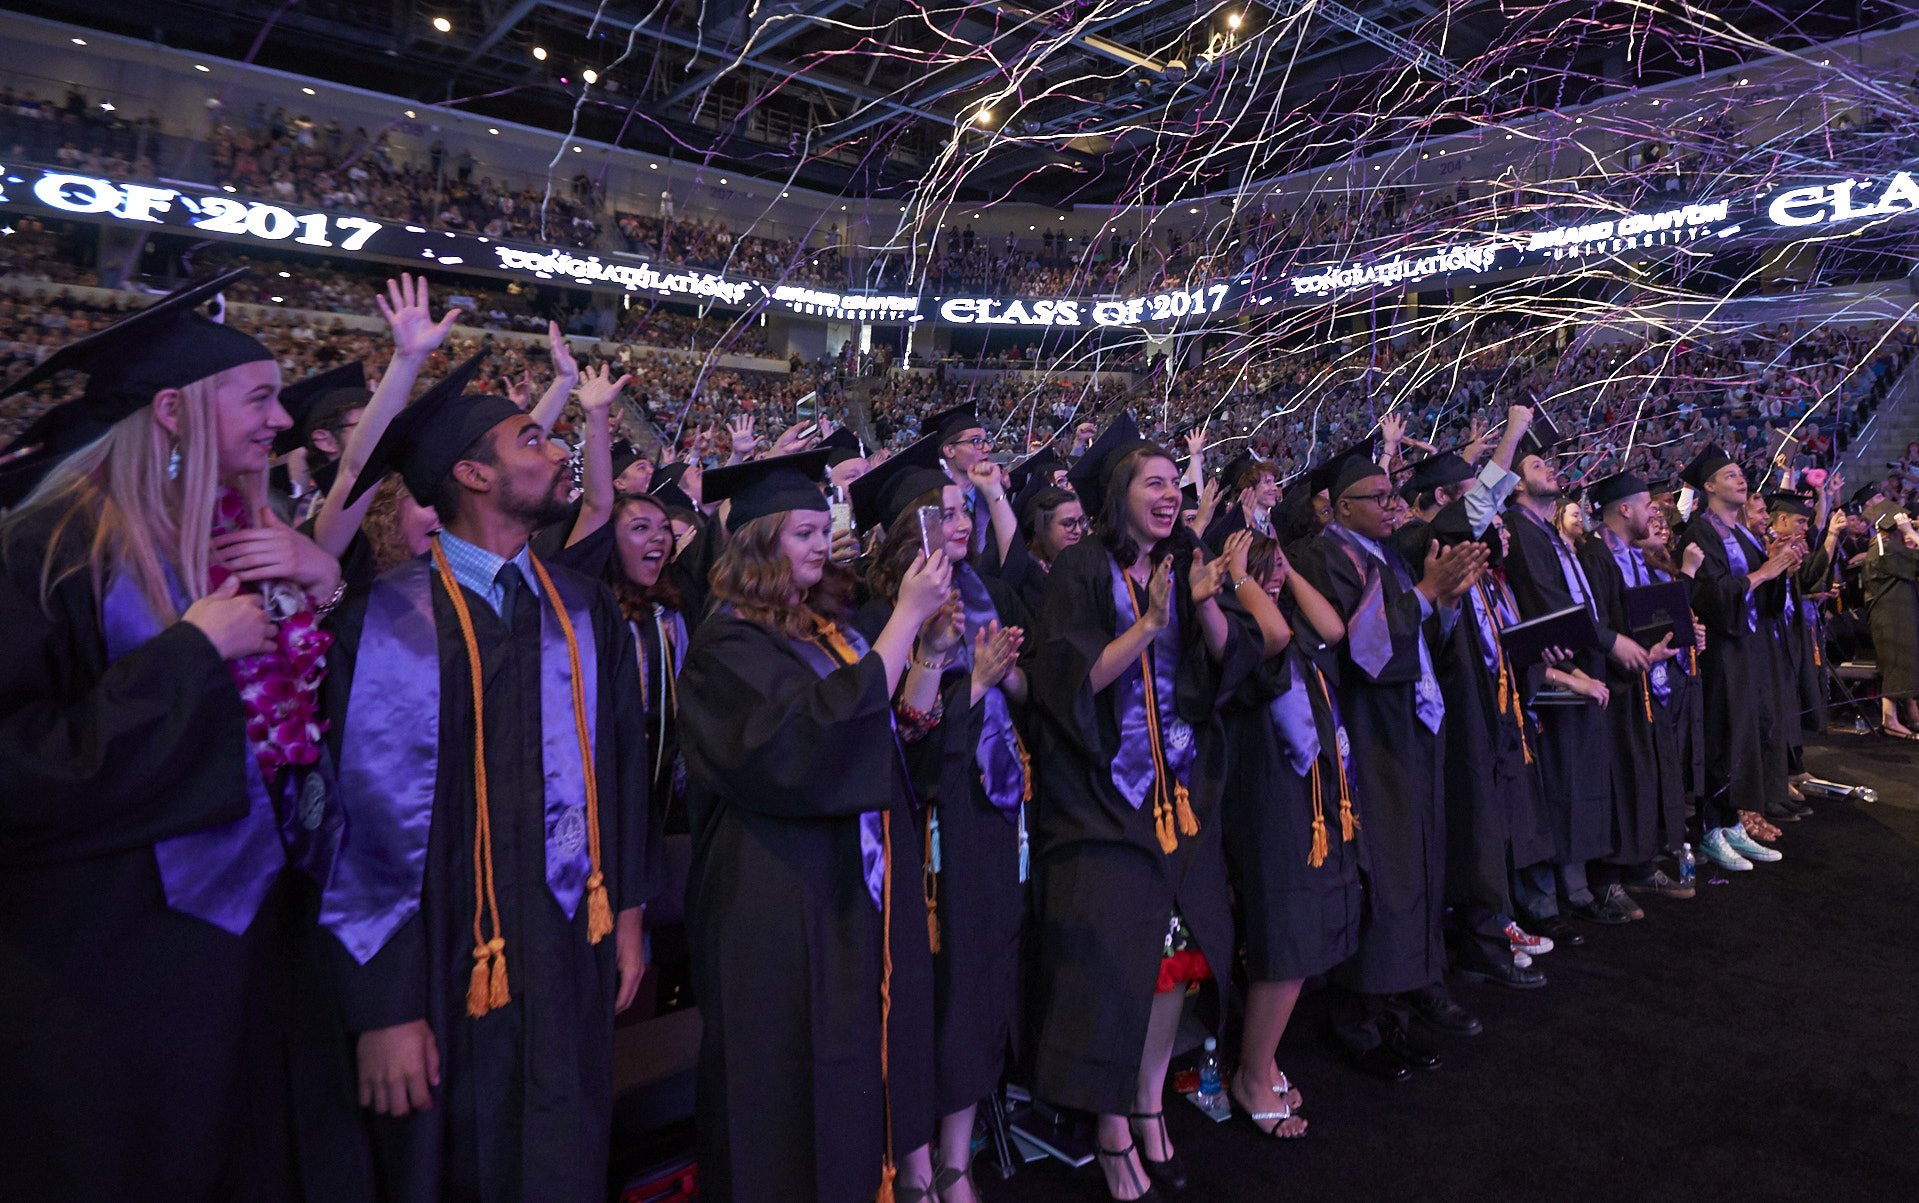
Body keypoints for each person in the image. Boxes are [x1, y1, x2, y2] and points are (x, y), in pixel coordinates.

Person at [0, 269, 355, 1200]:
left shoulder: (225, 540)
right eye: (262, 397)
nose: (281, 421)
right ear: (172, 410)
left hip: (245, 951)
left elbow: (299, 736)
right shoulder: (48, 550)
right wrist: (193, 652)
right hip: (104, 967)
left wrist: (325, 589)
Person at [319, 365, 655, 1202]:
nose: (556, 447)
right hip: (437, 959)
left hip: (567, 935)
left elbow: (620, 769)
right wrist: (383, 1004)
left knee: (562, 1144)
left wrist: (629, 916)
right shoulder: (385, 619)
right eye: (532, 438)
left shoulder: (582, 608)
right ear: (473, 475)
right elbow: (357, 829)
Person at [676, 449, 948, 1201]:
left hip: (837, 893)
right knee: (780, 1096)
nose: (821, 544)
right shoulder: (725, 645)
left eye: (821, 529)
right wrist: (904, 619)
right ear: (759, 540)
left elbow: (885, 734)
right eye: (801, 532)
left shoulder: (818, 631)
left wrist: (929, 652)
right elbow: (812, 739)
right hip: (770, 897)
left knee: (844, 1075)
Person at [1025, 415, 1245, 1201]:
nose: (1169, 493)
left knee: (1173, 964)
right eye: (1153, 481)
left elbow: (1228, 664)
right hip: (1099, 802)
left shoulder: (1182, 563)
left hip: (1177, 796)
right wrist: (1149, 621)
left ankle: (1149, 1100)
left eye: (1172, 482)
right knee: (1115, 967)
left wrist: (1204, 602)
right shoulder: (1078, 570)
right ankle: (1112, 1124)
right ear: (1117, 496)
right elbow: (1067, 683)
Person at [852, 437, 1031, 1202]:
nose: (960, 524)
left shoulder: (984, 591)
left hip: (988, 815)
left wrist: (1002, 675)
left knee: (980, 986)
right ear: (909, 530)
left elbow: (1021, 690)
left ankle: (958, 1156)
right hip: (922, 833)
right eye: (945, 513)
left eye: (963, 511)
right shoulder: (871, 616)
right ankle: (916, 1161)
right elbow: (899, 742)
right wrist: (974, 680)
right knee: (931, 996)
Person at [1291, 454, 1487, 1081]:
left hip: (1411, 729)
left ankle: (1409, 991)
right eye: (1377, 497)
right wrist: (1428, 595)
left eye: (1393, 494)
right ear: (1342, 506)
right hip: (1368, 737)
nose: (1392, 504)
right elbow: (1361, 650)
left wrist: (1447, 603)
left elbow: (1421, 637)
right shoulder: (1323, 559)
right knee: (1383, 872)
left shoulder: (1388, 557)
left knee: (1417, 861)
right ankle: (1362, 1019)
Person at [1216, 529, 1359, 1134]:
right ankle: (1250, 1076)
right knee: (1286, 933)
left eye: (1278, 564)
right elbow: (1273, 638)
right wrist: (1240, 577)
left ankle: (1264, 1056)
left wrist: (1279, 572)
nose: (1274, 575)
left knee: (1299, 934)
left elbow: (1334, 629)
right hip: (1264, 798)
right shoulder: (1236, 624)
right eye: (1262, 565)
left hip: (1306, 797)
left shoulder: (1279, 615)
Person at [1499, 426, 1631, 930]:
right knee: (1559, 787)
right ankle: (1556, 895)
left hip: (1577, 663)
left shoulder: (1545, 530)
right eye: (1535, 466)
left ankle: (1573, 889)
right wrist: (1602, 645)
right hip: (1554, 671)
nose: (1548, 469)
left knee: (1579, 783)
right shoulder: (1520, 528)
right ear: (1513, 484)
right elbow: (1546, 604)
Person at [1675, 444, 1799, 872]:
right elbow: (1711, 597)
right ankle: (1712, 828)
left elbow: (1758, 591)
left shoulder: (1744, 532)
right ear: (1708, 486)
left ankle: (1731, 823)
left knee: (1743, 734)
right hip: (1720, 653)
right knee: (1720, 735)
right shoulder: (1699, 533)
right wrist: (1765, 572)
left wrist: (1779, 567)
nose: (1741, 479)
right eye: (1729, 475)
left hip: (1747, 649)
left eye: (1740, 473)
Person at [1577, 472, 1689, 908]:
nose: (1654, 512)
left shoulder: (1632, 556)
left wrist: (1672, 636)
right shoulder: (1595, 556)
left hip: (1639, 678)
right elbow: (1596, 623)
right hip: (1611, 684)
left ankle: (1638, 859)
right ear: (1624, 509)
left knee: (1640, 774)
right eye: (1646, 504)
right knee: (1616, 779)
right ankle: (1608, 874)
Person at [1860, 499, 1919, 737]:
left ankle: (1902, 716)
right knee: (1896, 665)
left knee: (1899, 665)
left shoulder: (1884, 548)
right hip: (1891, 618)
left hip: (1894, 615)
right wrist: (1911, 532)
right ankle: (1890, 720)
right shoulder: (1887, 550)